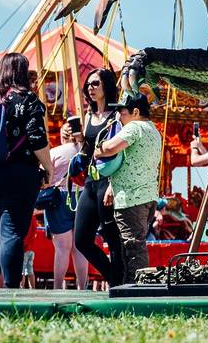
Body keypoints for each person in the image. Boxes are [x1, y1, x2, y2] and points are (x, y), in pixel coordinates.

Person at [0, 53, 53, 289]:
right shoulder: (27, 99)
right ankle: (10, 289)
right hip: (19, 172)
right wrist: (48, 168)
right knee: (11, 232)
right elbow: (37, 138)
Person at [98, 91, 162, 284]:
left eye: (122, 112)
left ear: (135, 111)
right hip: (148, 196)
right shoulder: (153, 129)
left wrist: (97, 149)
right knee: (136, 244)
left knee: (132, 247)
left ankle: (137, 289)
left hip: (131, 197)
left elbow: (110, 148)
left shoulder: (134, 127)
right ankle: (133, 285)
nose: (119, 116)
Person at [73, 68, 124, 286]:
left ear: (106, 86)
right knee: (81, 239)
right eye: (88, 85)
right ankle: (114, 279)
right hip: (91, 181)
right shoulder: (88, 116)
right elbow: (88, 151)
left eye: (95, 84)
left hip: (110, 180)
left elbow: (123, 152)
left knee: (112, 238)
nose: (90, 88)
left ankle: (119, 283)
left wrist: (115, 184)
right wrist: (79, 141)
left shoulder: (117, 115)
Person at [44, 118, 89, 290]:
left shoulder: (55, 152)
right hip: (82, 196)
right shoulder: (85, 152)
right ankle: (83, 286)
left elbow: (46, 177)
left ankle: (57, 287)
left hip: (59, 198)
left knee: (62, 248)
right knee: (79, 247)